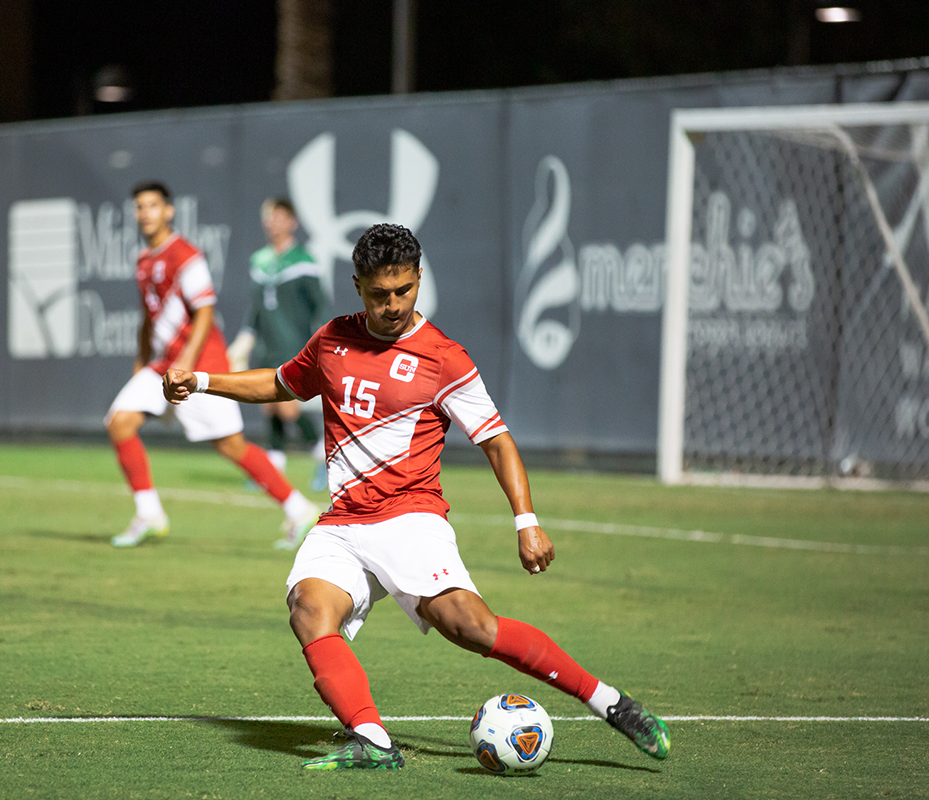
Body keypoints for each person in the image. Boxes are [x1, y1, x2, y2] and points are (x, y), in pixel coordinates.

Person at [164, 224, 671, 769]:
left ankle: (612, 704)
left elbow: (497, 442)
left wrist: (526, 520)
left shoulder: (443, 357)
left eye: (403, 290)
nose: (392, 305)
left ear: (419, 280)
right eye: (379, 293)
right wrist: (203, 380)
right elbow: (282, 384)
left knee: (471, 628)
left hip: (409, 518)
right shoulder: (333, 339)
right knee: (309, 609)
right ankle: (373, 741)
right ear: (358, 286)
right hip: (343, 523)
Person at [104, 181, 318, 549]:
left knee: (232, 446)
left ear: (169, 211)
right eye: (140, 207)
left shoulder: (186, 255)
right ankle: (149, 514)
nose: (145, 213)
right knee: (120, 422)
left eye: (153, 205)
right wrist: (142, 361)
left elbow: (204, 311)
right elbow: (149, 318)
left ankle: (299, 510)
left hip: (198, 364)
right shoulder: (144, 260)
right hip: (162, 365)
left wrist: (188, 363)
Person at [227, 198, 329, 492]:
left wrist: (318, 343)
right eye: (270, 217)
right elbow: (256, 308)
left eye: (281, 217)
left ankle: (322, 454)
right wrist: (245, 338)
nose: (274, 222)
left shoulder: (304, 261)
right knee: (269, 407)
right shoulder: (259, 260)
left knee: (288, 408)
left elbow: (320, 306)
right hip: (267, 344)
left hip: (292, 343)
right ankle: (273, 466)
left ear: (293, 222)